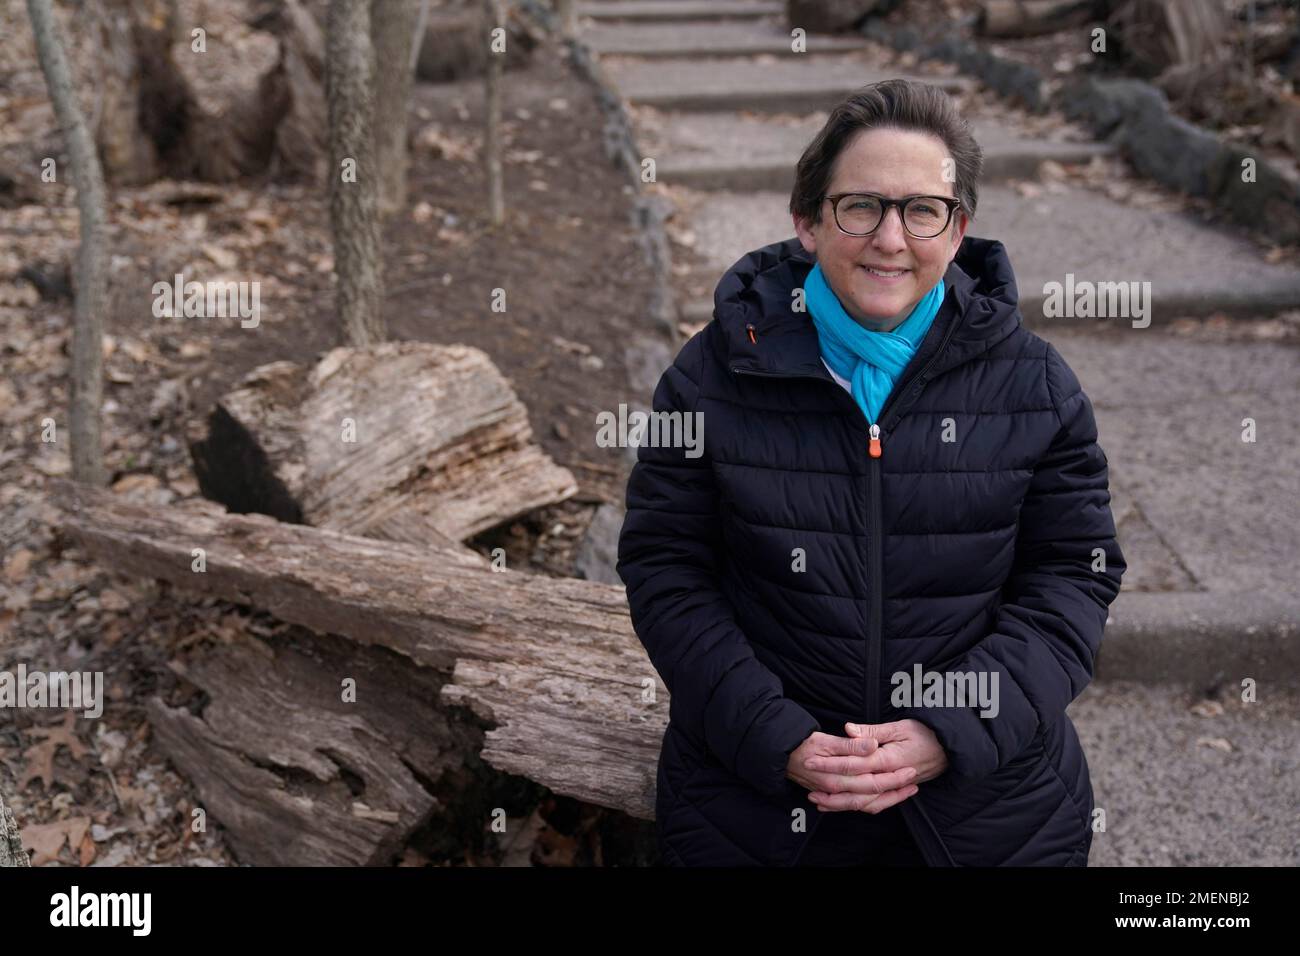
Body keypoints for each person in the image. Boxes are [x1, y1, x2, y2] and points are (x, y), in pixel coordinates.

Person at [616, 78, 1126, 867]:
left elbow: (1072, 580)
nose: (891, 238)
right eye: (861, 206)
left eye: (922, 210)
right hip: (756, 804)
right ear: (809, 222)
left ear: (959, 232)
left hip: (988, 809)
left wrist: (951, 732)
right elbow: (666, 570)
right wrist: (775, 736)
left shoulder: (1036, 386)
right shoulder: (709, 377)